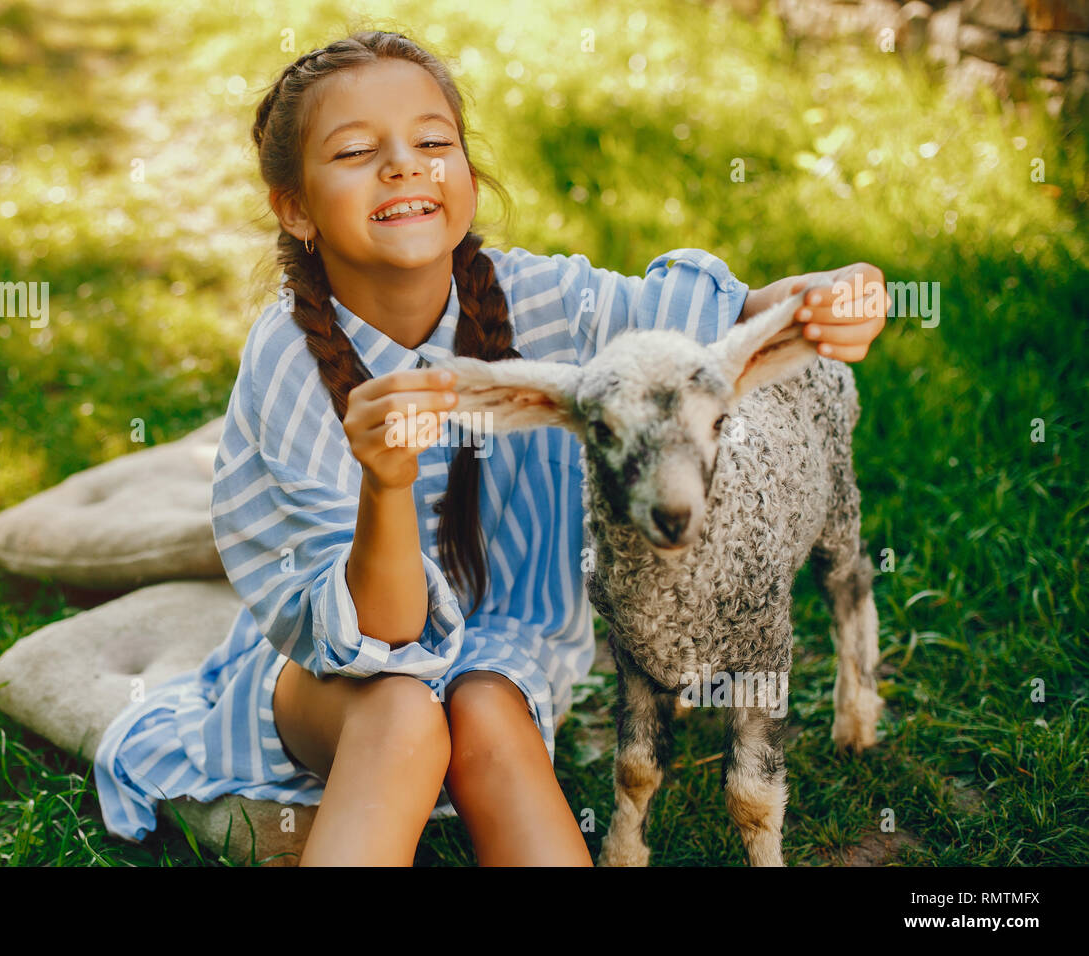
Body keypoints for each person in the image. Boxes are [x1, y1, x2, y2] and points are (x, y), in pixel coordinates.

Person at [94, 29, 888, 866]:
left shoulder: (532, 297)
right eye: (358, 150)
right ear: (294, 208)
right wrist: (387, 485)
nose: (404, 165)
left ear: (468, 176)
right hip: (337, 682)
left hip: (495, 653)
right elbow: (382, 639)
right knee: (404, 711)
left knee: (487, 714)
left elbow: (713, 318)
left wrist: (835, 295)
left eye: (434, 142)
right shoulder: (290, 362)